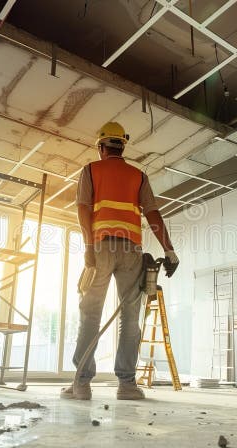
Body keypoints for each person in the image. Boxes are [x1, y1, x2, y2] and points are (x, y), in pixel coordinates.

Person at [61, 121, 179, 401]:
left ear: (101, 147)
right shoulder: (138, 175)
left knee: (90, 313)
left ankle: (81, 384)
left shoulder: (91, 169)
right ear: (121, 146)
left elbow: (83, 209)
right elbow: (152, 213)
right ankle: (127, 385)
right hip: (132, 252)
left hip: (101, 247)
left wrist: (88, 247)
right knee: (130, 318)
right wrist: (170, 250)